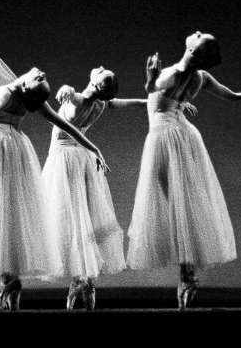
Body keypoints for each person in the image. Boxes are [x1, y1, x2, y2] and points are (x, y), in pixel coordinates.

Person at [127, 32, 241, 309]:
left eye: (200, 37)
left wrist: (150, 79)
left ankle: (187, 273)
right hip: (183, 132)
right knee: (181, 204)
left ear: (194, 51)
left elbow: (155, 87)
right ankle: (187, 273)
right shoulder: (201, 78)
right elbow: (231, 97)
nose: (196, 32)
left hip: (164, 136)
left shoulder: (176, 71)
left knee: (172, 204)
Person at [0, 68, 106, 311]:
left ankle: (7, 281)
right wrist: (93, 148)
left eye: (41, 77)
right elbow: (65, 125)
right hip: (17, 148)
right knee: (9, 213)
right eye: (42, 76)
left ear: (26, 87)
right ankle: (8, 281)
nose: (41, 72)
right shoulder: (30, 100)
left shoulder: (10, 92)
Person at [45, 67, 197, 310]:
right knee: (83, 216)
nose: (96, 85)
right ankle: (82, 280)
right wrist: (173, 103)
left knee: (70, 217)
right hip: (83, 158)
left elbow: (73, 94)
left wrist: (66, 89)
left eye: (100, 85)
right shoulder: (102, 105)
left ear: (98, 87)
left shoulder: (84, 99)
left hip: (65, 158)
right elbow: (137, 102)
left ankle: (81, 279)